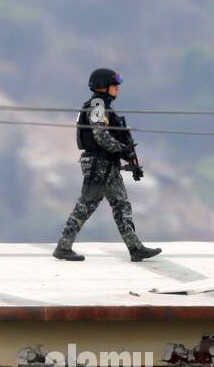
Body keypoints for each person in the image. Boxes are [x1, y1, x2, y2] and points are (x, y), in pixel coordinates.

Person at [53, 68, 162, 263]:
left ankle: (135, 248)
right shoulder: (97, 105)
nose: (117, 89)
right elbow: (100, 135)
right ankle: (63, 246)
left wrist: (127, 155)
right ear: (103, 86)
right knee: (86, 205)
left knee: (121, 205)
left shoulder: (103, 107)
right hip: (98, 164)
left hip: (107, 165)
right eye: (114, 86)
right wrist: (122, 150)